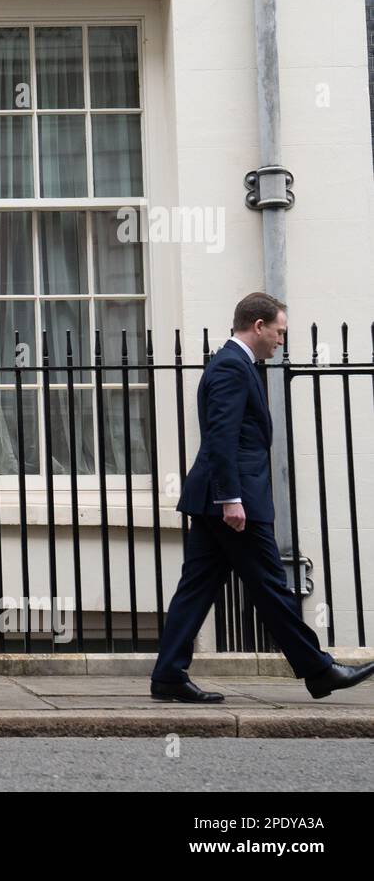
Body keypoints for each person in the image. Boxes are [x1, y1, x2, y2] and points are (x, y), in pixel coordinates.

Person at [152, 292, 374, 702]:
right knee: (271, 586)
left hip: (216, 500)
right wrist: (231, 499)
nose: (281, 341)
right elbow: (221, 439)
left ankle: (168, 675)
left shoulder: (235, 364)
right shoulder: (232, 368)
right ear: (258, 326)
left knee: (197, 587)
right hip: (232, 503)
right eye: (279, 331)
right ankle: (319, 670)